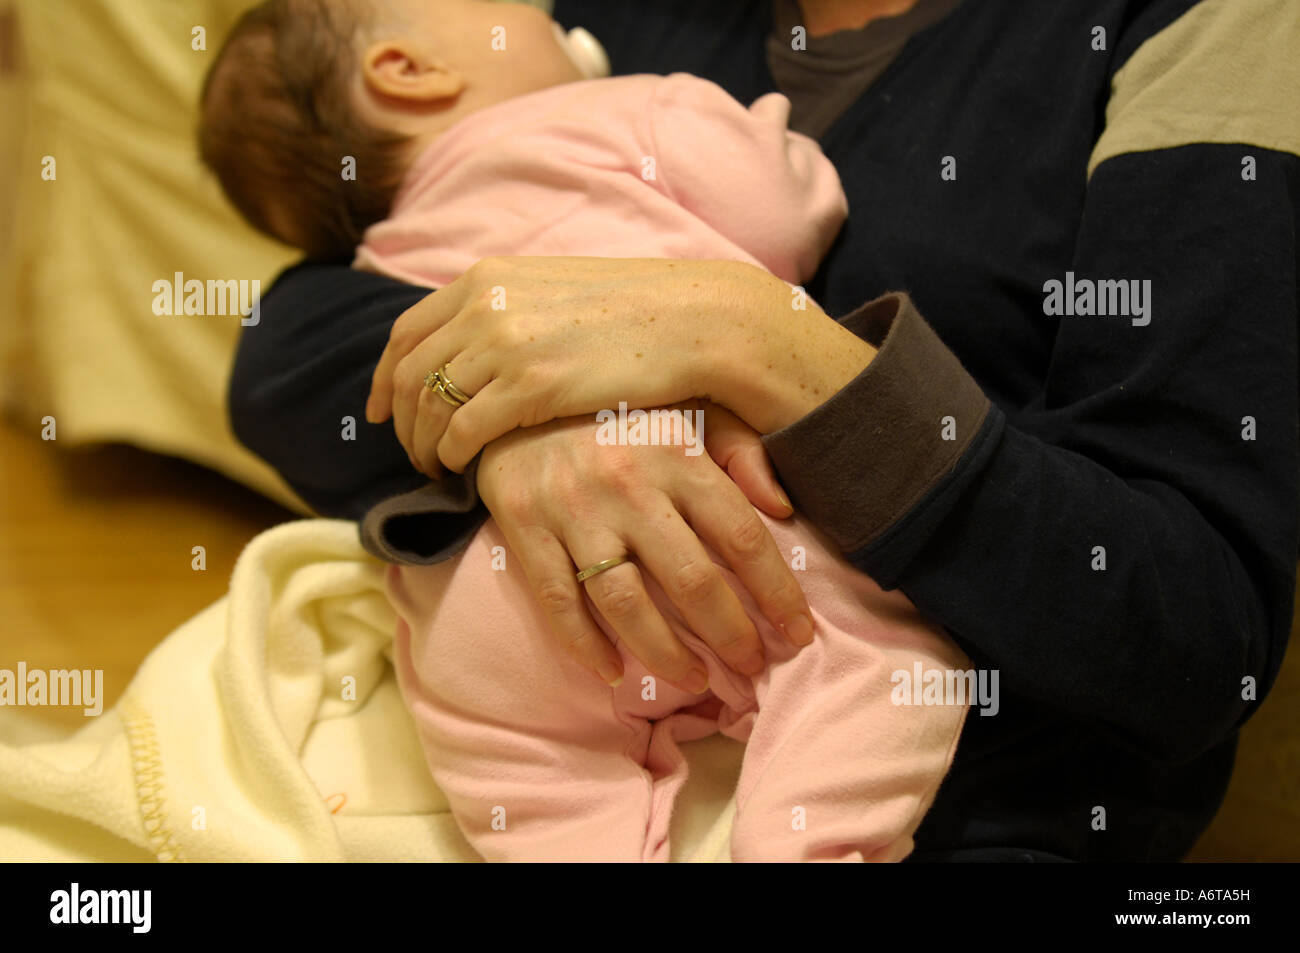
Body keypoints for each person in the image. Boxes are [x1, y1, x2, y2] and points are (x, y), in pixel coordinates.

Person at [230, 0, 1300, 861]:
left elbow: (1194, 633)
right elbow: (285, 345)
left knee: (520, 753)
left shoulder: (1202, 25)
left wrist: (753, 341)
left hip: (982, 797)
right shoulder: (595, 39)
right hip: (780, 630)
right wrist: (528, 417)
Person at [200, 0, 974, 861]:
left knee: (529, 766)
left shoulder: (385, 247)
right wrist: (766, 134)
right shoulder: (628, 109)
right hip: (725, 525)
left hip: (499, 597)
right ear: (405, 71)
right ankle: (808, 843)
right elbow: (778, 215)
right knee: (876, 651)